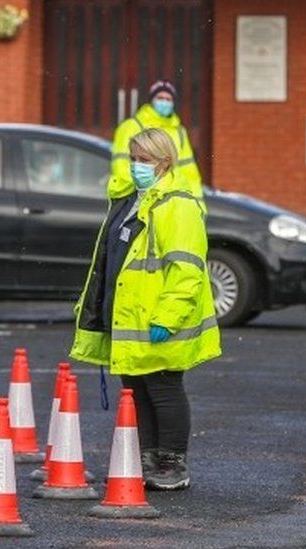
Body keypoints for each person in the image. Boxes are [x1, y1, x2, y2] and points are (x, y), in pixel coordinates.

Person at [70, 128, 220, 491]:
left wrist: (167, 318)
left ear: (165, 163)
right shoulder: (130, 200)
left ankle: (172, 462)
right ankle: (149, 458)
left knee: (164, 388)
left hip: (158, 319)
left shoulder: (177, 205)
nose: (137, 166)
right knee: (136, 389)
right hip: (131, 319)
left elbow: (187, 270)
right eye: (133, 159)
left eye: (145, 160)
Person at [111, 80, 203, 199]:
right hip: (141, 197)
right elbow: (121, 166)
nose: (164, 102)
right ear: (152, 100)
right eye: (160, 97)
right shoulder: (132, 126)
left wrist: (196, 201)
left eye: (168, 99)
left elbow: (189, 171)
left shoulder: (180, 131)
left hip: (172, 199)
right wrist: (136, 194)